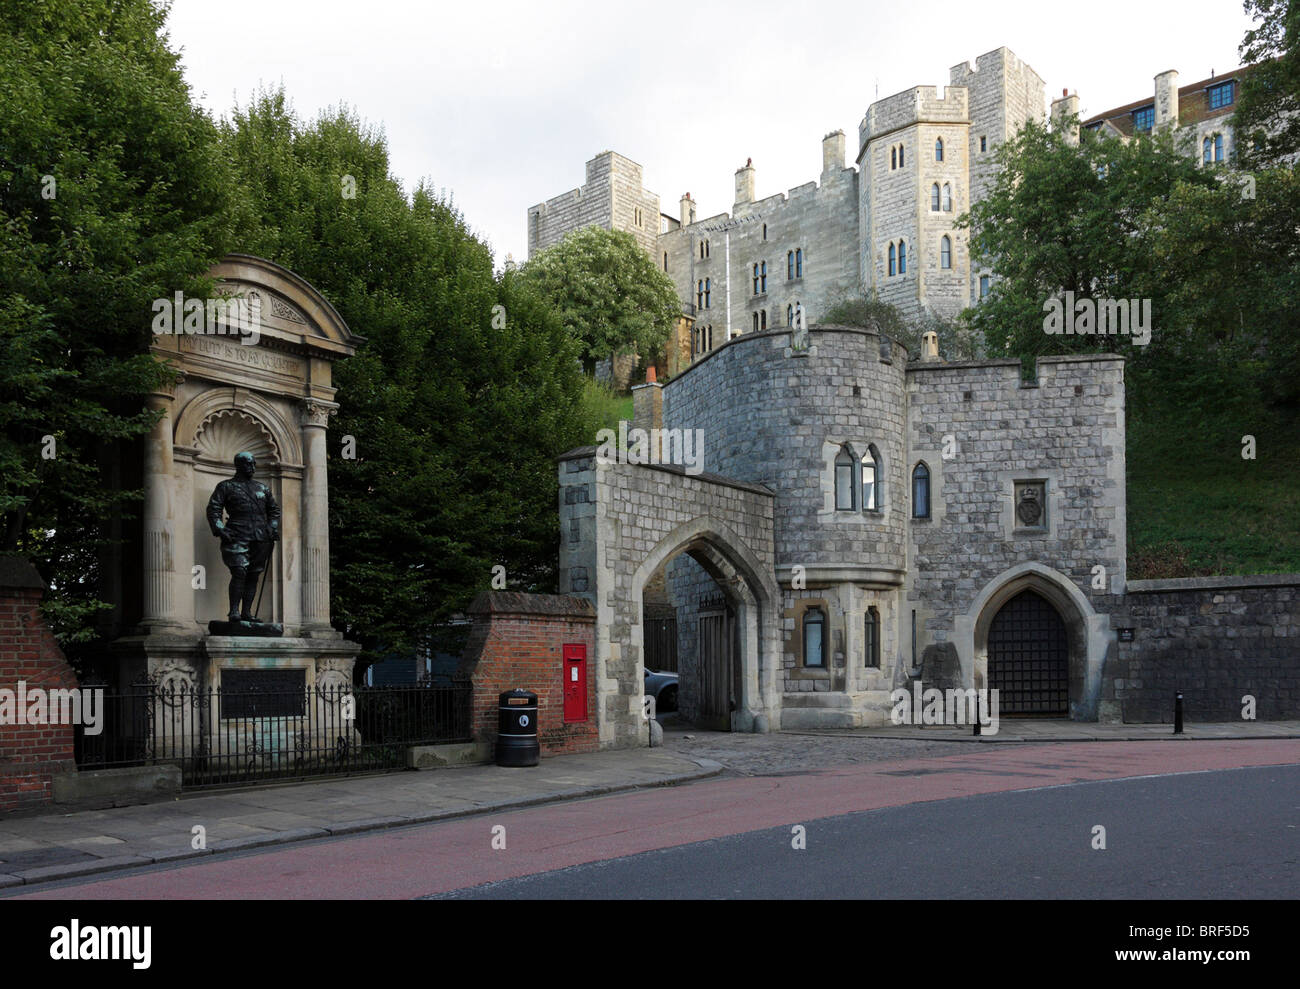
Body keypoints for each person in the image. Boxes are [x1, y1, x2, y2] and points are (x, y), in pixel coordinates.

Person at [206, 452, 280, 622]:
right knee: (239, 571)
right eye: (248, 464)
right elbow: (214, 509)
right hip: (237, 534)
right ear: (238, 465)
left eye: (253, 464)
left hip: (261, 536)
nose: (252, 467)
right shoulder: (226, 486)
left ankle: (247, 612)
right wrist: (220, 529)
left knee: (254, 575)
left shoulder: (262, 488)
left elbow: (274, 511)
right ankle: (233, 612)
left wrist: (272, 526)